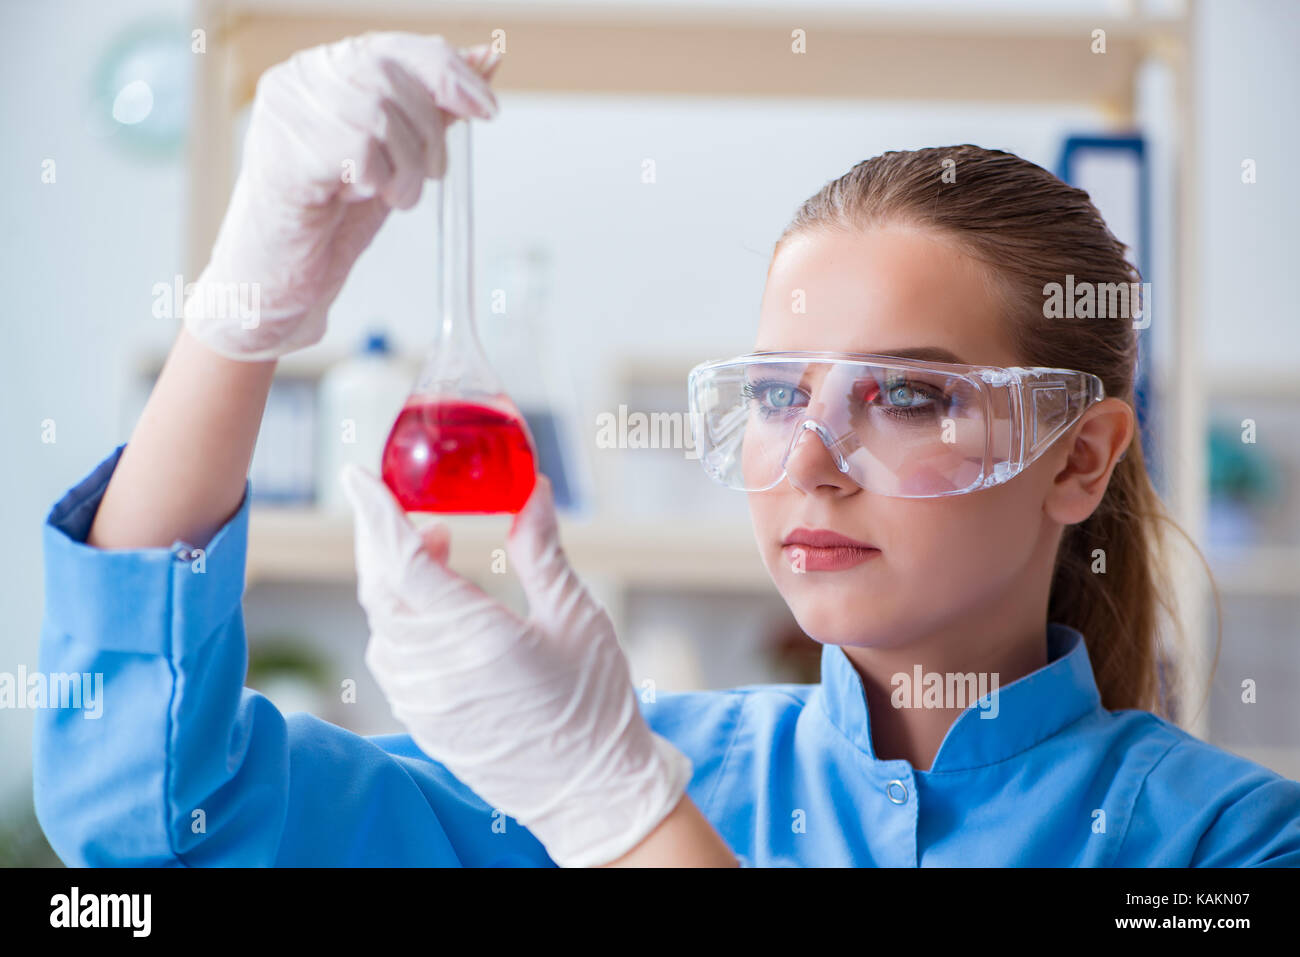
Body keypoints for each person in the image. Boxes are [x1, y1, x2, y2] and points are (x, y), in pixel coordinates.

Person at [33, 32, 1300, 868]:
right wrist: (238, 316)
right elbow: (152, 814)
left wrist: (625, 819)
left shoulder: (1225, 845)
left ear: (1078, 461)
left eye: (909, 396)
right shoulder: (612, 759)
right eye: (777, 394)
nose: (811, 460)